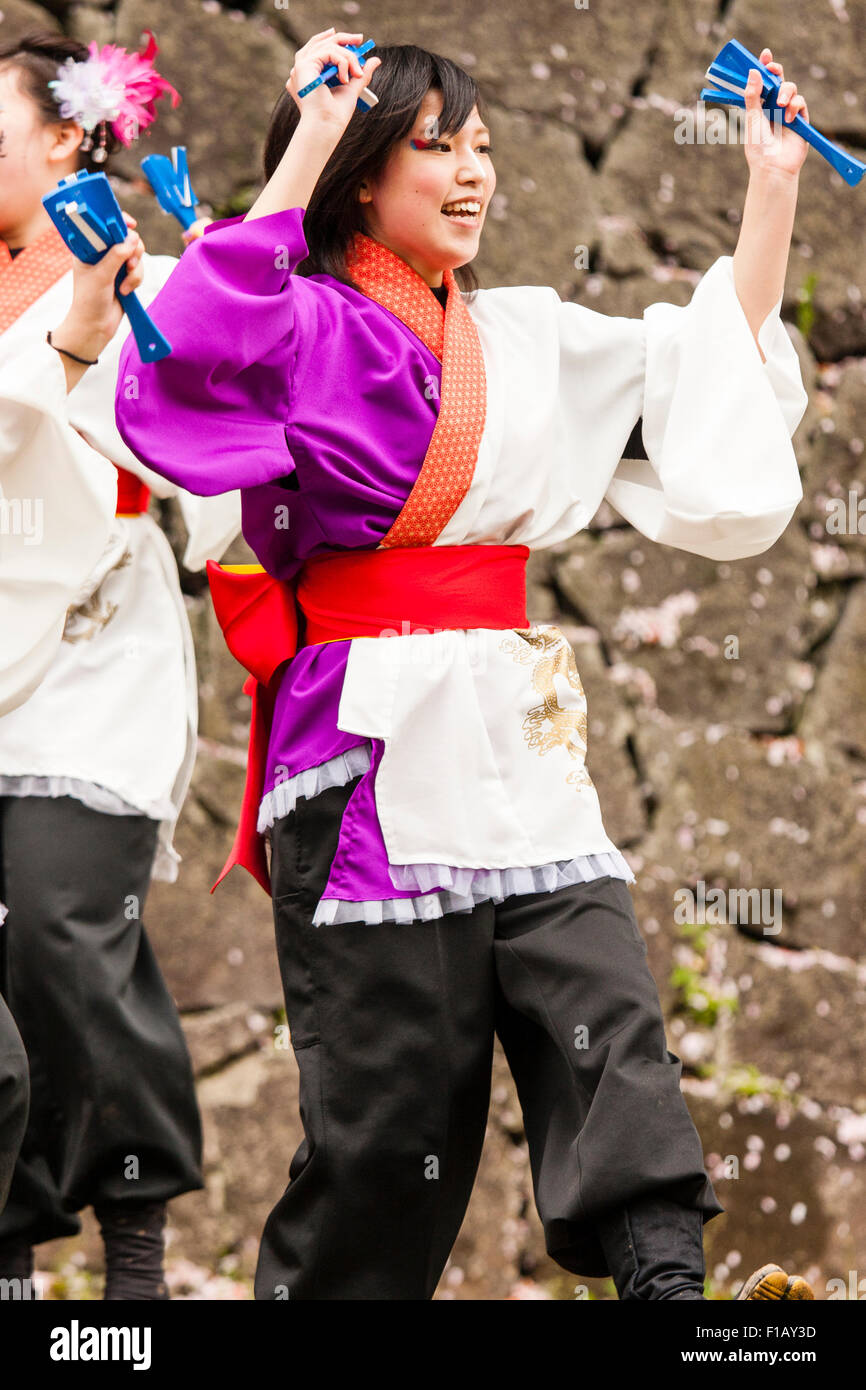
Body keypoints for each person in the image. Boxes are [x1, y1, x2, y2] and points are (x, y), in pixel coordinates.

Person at [114, 30, 815, 1301]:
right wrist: (311, 136)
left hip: (515, 734)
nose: (471, 170)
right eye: (433, 146)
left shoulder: (530, 338)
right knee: (392, 1126)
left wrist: (767, 187)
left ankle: (669, 1284)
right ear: (365, 175)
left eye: (480, 144)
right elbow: (187, 353)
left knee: (605, 1010)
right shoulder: (295, 322)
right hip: (364, 750)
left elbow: (700, 374)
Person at [0, 31, 241, 1299]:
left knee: (58, 928)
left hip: (89, 650)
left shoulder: (142, 274)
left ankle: (134, 1246)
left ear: (65, 139)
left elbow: (215, 437)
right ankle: (10, 1257)